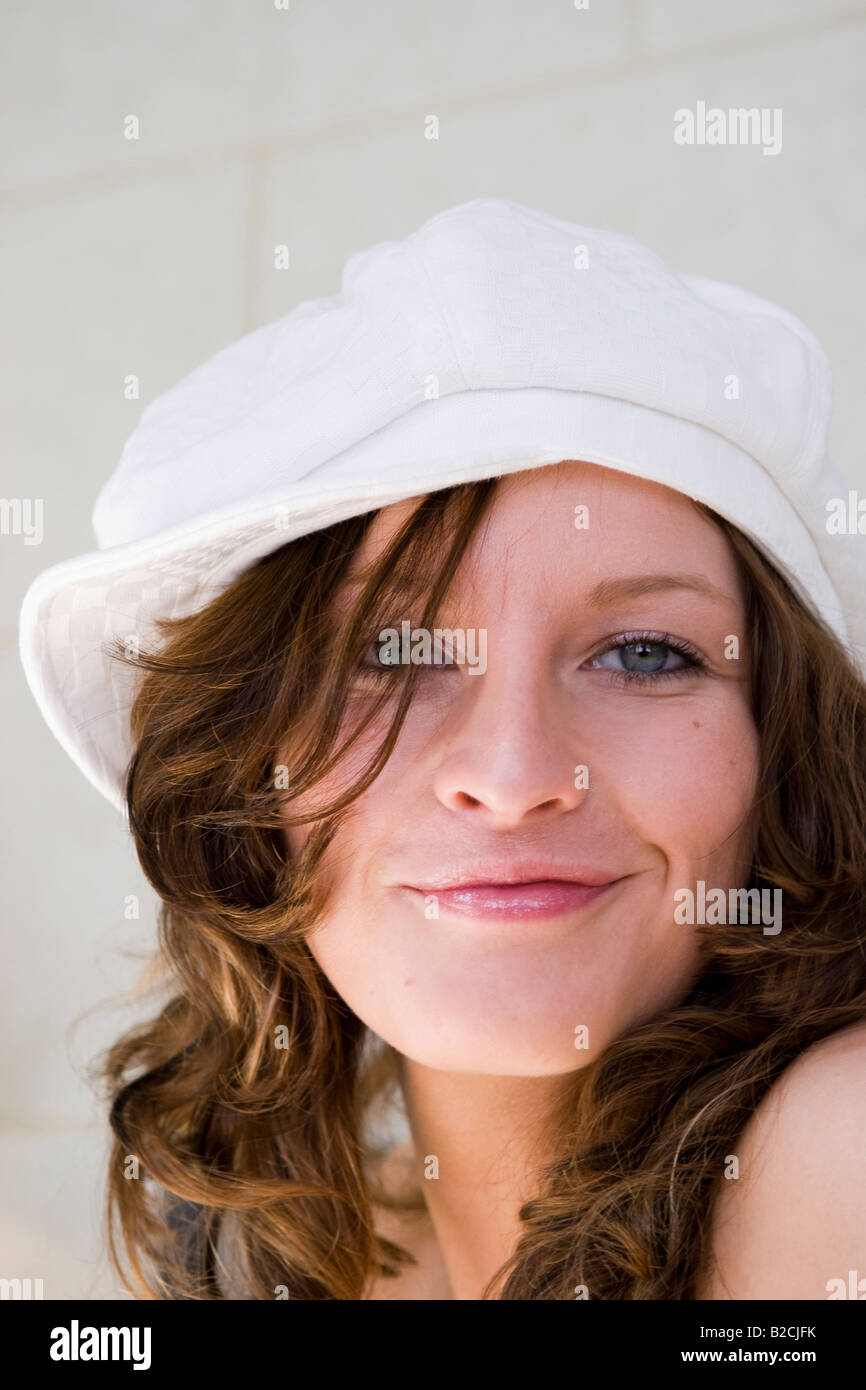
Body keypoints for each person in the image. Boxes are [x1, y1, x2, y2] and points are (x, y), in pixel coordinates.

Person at [19, 198, 866, 1300]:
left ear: (781, 752)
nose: (513, 776)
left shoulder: (834, 1161)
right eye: (392, 652)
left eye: (647, 654)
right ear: (243, 768)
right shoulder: (326, 1249)